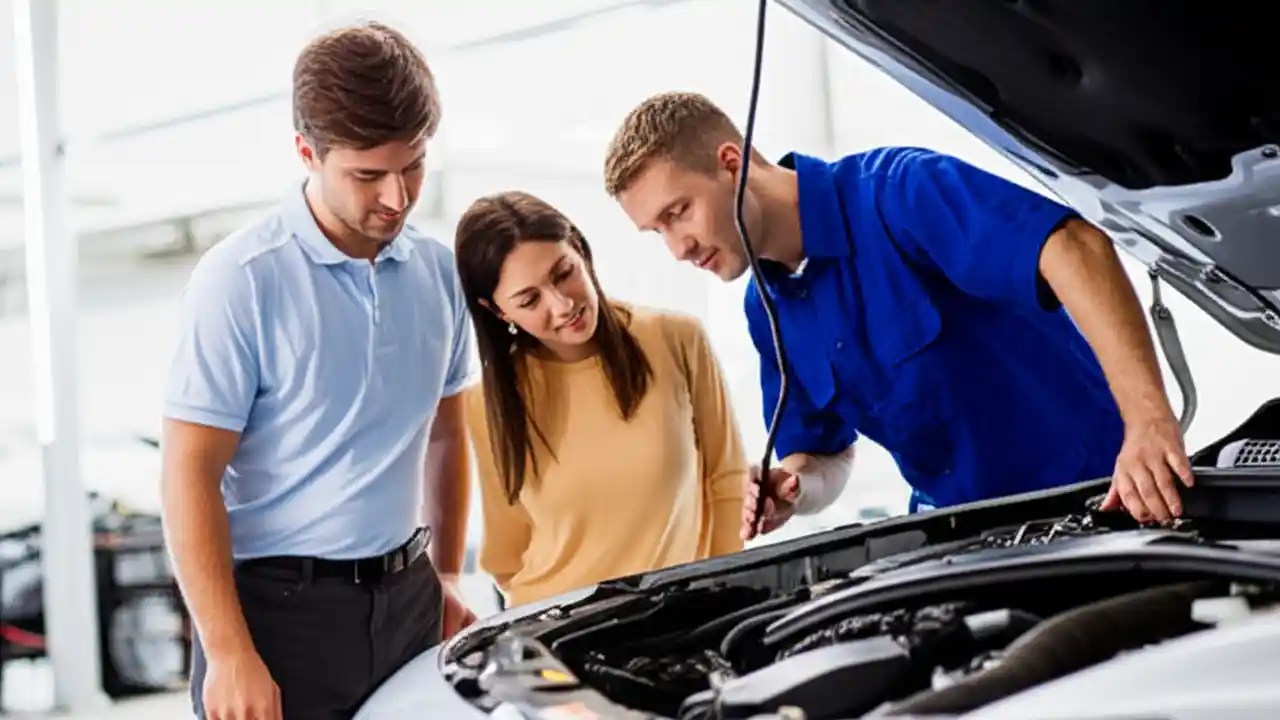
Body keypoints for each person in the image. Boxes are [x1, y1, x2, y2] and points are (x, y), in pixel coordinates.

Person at [601, 91, 1195, 539]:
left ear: (730, 163)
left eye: (678, 212)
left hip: (1103, 510)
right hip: (960, 543)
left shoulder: (899, 194)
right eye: (657, 232)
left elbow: (1077, 248)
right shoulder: (766, 310)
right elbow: (825, 453)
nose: (677, 248)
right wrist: (794, 489)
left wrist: (1149, 423)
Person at [160, 22, 477, 720]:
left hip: (409, 605)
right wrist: (229, 651)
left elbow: (447, 437)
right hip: (278, 620)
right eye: (367, 175)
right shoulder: (240, 280)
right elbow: (188, 474)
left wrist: (445, 576)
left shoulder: (438, 274)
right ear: (308, 152)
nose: (397, 197)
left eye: (415, 165)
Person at [452, 190, 747, 608]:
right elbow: (507, 552)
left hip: (685, 615)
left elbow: (727, 482)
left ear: (578, 248)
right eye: (529, 300)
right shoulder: (485, 404)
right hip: (557, 627)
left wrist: (718, 591)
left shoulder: (676, 339)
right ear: (499, 312)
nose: (562, 304)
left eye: (563, 273)